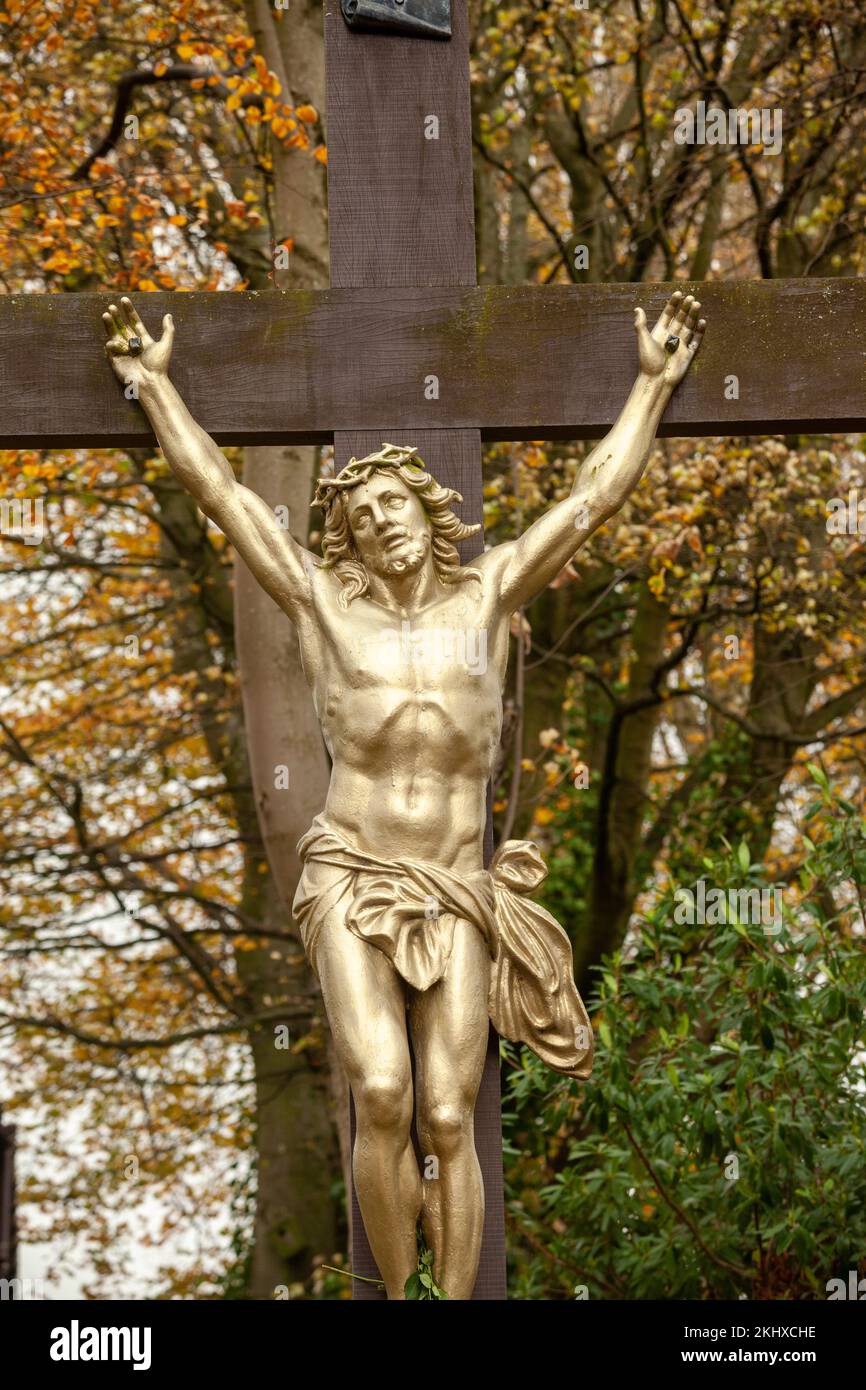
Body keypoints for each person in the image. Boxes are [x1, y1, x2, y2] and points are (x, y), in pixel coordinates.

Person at [102, 290, 706, 1298]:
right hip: (349, 873)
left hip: (456, 884)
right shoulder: (324, 611)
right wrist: (153, 386)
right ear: (345, 536)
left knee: (445, 1110)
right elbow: (228, 500)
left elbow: (592, 499)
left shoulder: (490, 592)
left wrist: (650, 384)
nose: (378, 522)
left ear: (429, 519)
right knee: (379, 1089)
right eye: (358, 513)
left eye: (392, 506)